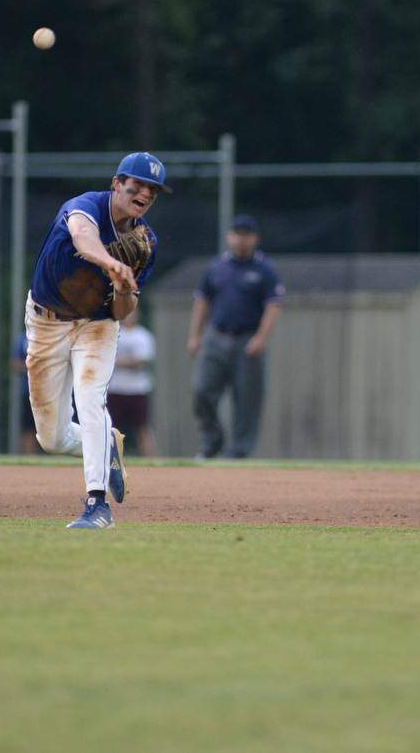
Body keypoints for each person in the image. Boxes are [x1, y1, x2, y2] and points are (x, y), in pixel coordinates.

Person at [26, 152, 166, 529]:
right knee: (51, 439)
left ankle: (97, 506)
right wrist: (110, 262)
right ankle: (108, 445)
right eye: (138, 185)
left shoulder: (145, 242)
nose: (145, 194)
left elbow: (122, 311)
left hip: (97, 324)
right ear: (117, 183)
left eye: (153, 190)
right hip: (46, 321)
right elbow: (83, 237)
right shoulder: (87, 205)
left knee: (90, 399)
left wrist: (123, 287)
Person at [188, 214, 284, 459]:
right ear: (229, 236)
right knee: (202, 389)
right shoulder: (217, 266)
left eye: (246, 235)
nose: (241, 240)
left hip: (247, 339)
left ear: (255, 239)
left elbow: (273, 305)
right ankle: (211, 443)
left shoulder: (265, 269)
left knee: (247, 400)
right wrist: (195, 335)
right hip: (216, 336)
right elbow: (203, 301)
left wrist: (261, 338)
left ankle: (239, 450)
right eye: (236, 234)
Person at [107, 305, 157, 457]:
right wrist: (129, 360)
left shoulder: (143, 336)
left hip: (137, 389)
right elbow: (107, 360)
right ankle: (110, 459)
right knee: (112, 429)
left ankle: (152, 462)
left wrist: (119, 361)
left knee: (142, 428)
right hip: (116, 389)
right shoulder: (114, 334)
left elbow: (142, 361)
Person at [9, 330, 39, 454]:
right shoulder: (24, 339)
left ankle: (60, 459)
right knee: (28, 428)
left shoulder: (56, 334)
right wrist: (35, 368)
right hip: (29, 391)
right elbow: (15, 362)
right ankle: (29, 458)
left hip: (55, 390)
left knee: (58, 427)